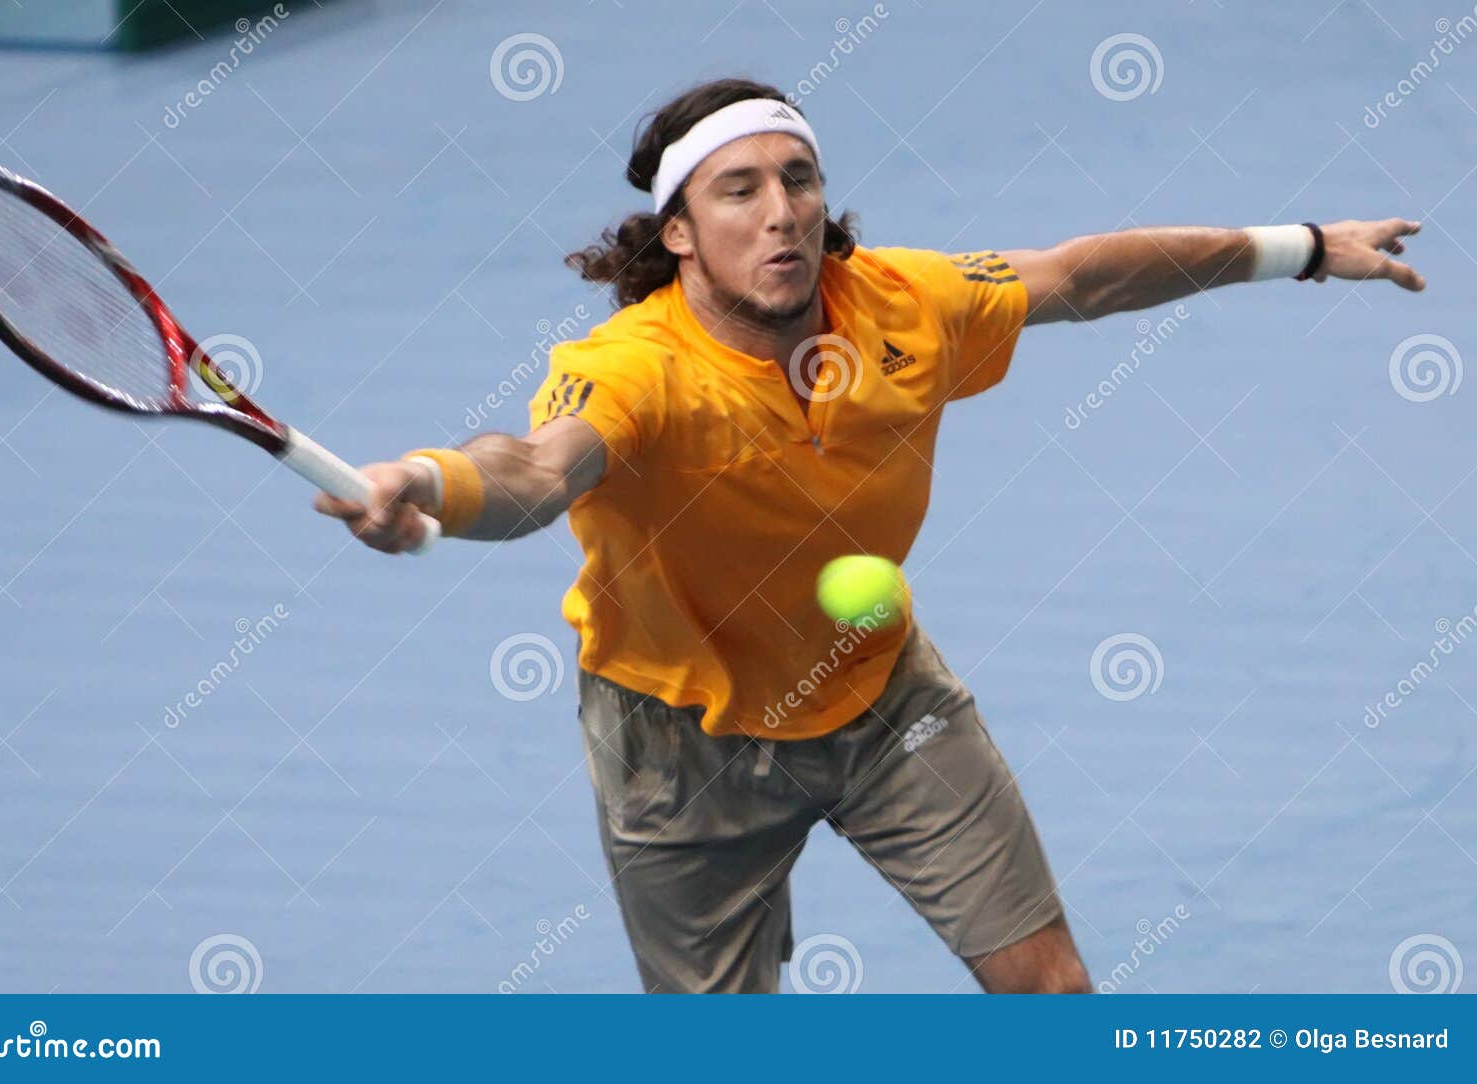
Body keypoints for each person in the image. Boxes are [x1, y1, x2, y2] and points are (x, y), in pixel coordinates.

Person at [315, 77, 1426, 993]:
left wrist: (1301, 246)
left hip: (883, 694)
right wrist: (429, 482)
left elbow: (1082, 275)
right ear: (678, 234)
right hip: (679, 744)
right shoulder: (633, 371)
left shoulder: (902, 304)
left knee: (1049, 990)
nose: (782, 211)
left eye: (798, 179)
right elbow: (535, 467)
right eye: (740, 189)